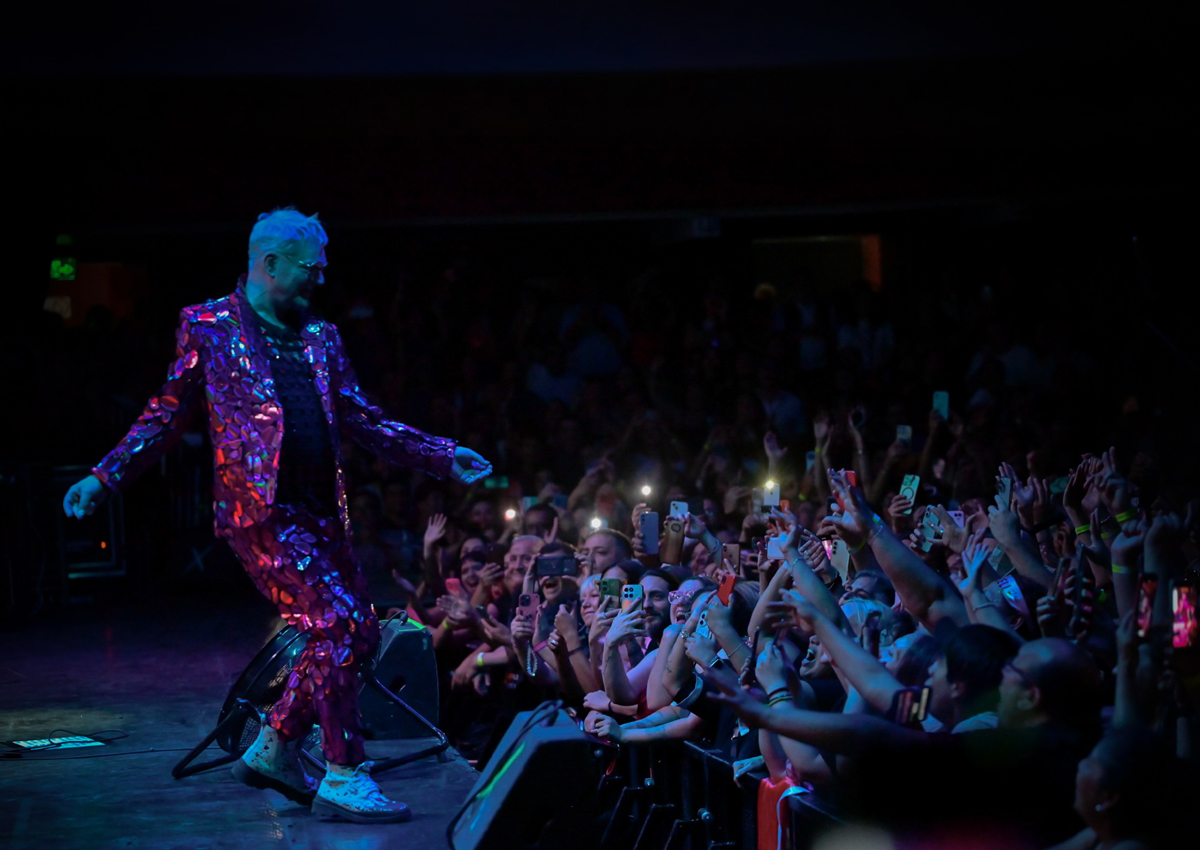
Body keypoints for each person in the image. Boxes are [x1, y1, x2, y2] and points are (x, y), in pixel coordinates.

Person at [61, 209, 493, 824]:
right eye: (310, 269)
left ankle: (274, 746)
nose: (319, 280)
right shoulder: (208, 325)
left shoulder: (321, 337)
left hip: (320, 511)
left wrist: (443, 455)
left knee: (359, 633)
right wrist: (105, 475)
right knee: (340, 624)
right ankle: (345, 773)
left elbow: (362, 419)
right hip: (260, 512)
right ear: (269, 264)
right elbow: (164, 416)